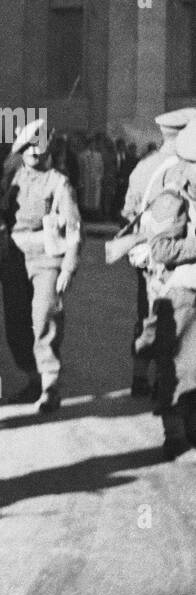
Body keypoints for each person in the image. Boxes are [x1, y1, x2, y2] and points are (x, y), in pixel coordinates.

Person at [0, 119, 81, 413]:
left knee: (44, 315)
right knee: (16, 323)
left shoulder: (59, 182)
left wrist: (69, 266)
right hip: (14, 255)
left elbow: (73, 228)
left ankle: (49, 386)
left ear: (48, 148)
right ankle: (33, 378)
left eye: (40, 144)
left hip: (46, 257)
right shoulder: (11, 178)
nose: (34, 150)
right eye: (28, 145)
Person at [124, 108, 194, 457]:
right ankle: (173, 423)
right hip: (178, 272)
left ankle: (142, 379)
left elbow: (128, 212)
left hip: (154, 267)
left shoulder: (145, 167)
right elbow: (166, 244)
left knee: (153, 323)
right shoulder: (179, 176)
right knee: (177, 348)